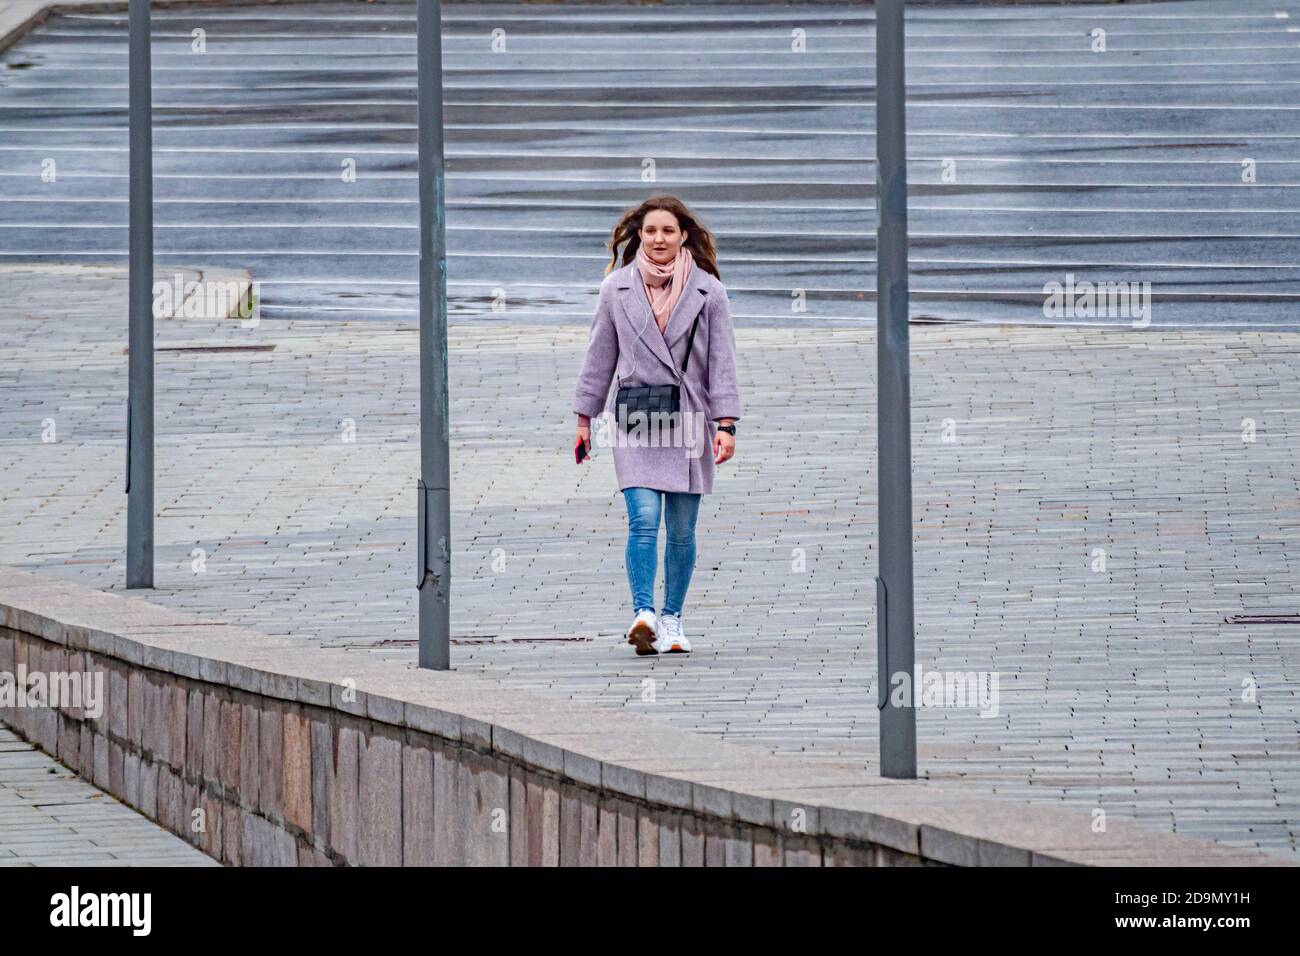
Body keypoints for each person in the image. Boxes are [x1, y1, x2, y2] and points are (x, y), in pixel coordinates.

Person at [572, 196, 741, 656]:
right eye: (650, 231)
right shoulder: (616, 289)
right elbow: (599, 355)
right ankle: (643, 613)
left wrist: (726, 424)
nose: (659, 239)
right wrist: (584, 418)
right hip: (636, 417)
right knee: (643, 520)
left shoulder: (709, 292)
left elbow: (722, 364)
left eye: (668, 231)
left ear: (683, 234)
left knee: (682, 530)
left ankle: (672, 620)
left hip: (690, 418)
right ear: (638, 235)